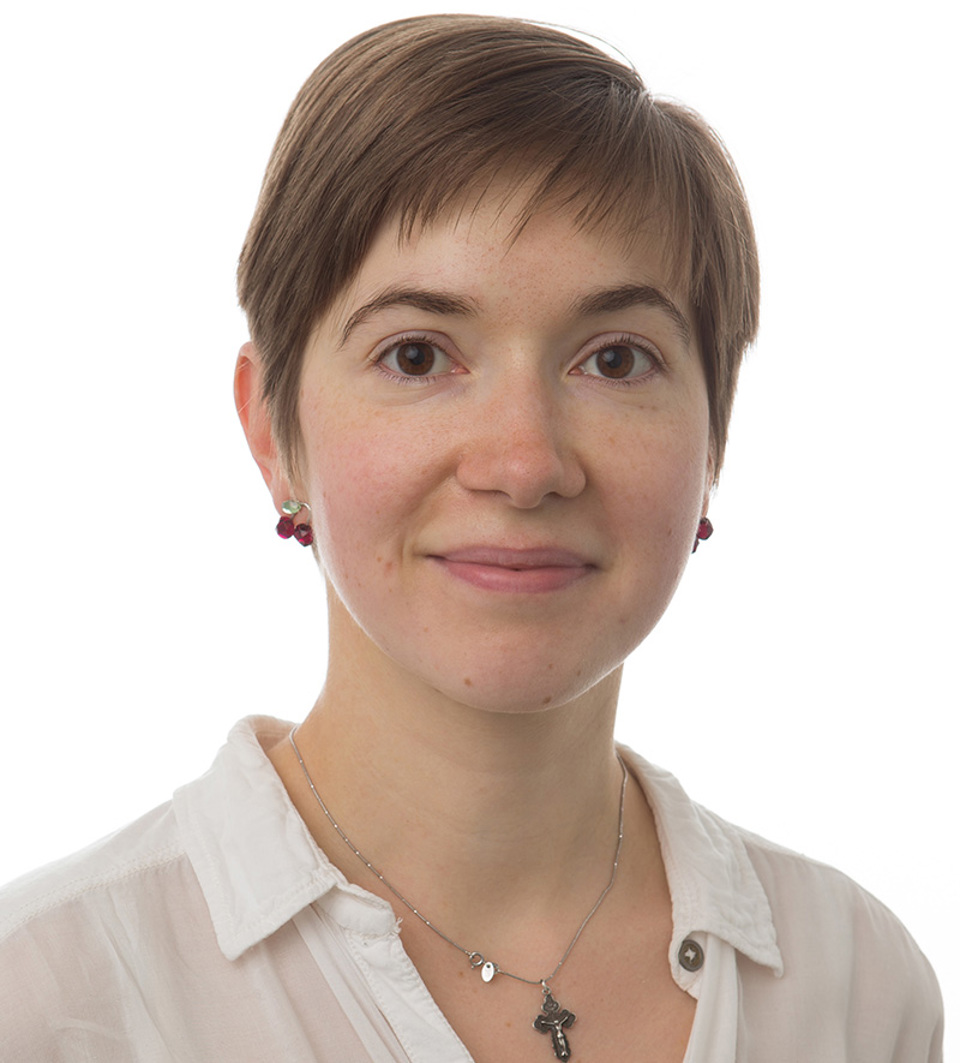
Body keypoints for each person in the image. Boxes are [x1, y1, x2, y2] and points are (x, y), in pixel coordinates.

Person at [0, 14, 943, 1062]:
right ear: (273, 432)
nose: (525, 463)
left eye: (616, 360)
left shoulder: (860, 991)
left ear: (715, 433)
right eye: (416, 356)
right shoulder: (46, 1002)